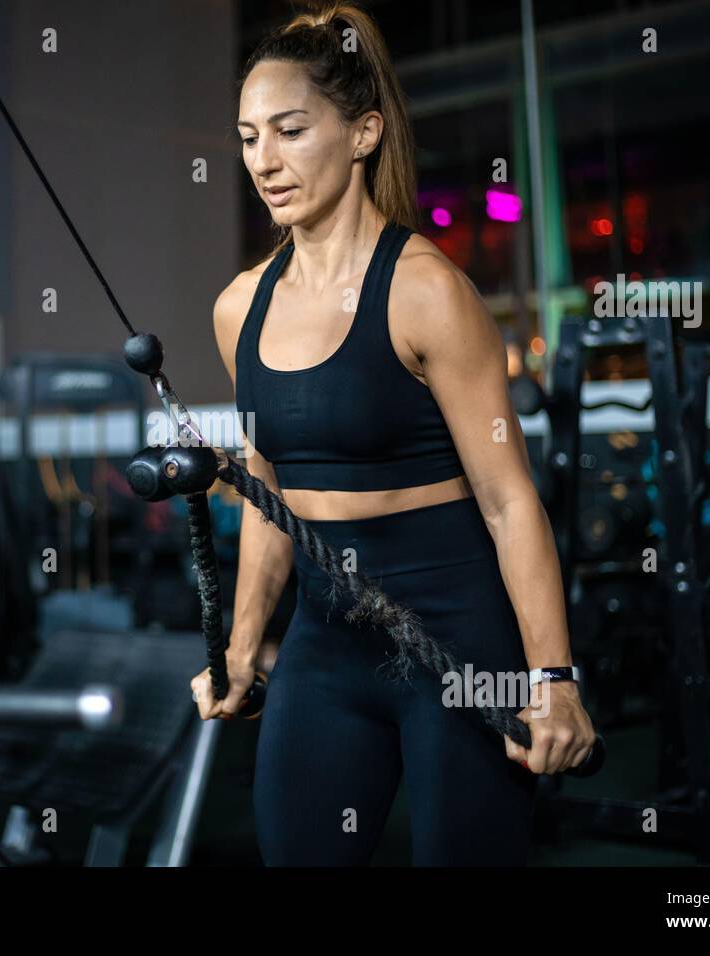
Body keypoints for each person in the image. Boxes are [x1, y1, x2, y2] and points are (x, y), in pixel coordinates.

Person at [194, 2, 597, 866]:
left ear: (363, 132)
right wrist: (242, 646)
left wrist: (552, 680)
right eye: (247, 136)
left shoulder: (426, 292)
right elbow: (270, 496)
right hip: (325, 649)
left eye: (291, 130)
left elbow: (507, 498)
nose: (264, 159)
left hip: (458, 640)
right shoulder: (240, 308)